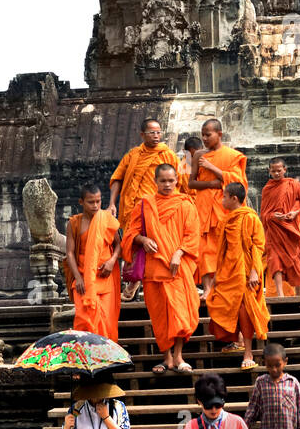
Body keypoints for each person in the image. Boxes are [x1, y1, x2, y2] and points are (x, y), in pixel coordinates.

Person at [121, 163, 200, 374]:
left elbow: (192, 236)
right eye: (163, 181)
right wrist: (143, 239)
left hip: (177, 268)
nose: (167, 185)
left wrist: (179, 252)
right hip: (154, 269)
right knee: (159, 315)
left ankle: (179, 356)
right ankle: (167, 358)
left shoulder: (186, 204)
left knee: (180, 313)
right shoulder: (145, 204)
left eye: (171, 181)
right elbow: (130, 233)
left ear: (177, 181)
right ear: (155, 182)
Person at [206, 181, 270, 368]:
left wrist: (254, 272)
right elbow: (223, 251)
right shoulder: (227, 219)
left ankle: (248, 354)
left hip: (246, 272)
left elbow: (258, 246)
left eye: (224, 196)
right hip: (228, 272)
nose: (222, 200)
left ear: (234, 198)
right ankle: (237, 340)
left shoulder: (250, 218)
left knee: (244, 309)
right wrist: (218, 273)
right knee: (220, 303)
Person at [187, 118, 249, 296]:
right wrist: (212, 184)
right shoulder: (198, 155)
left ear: (219, 134)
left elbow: (238, 183)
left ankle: (225, 284)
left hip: (225, 205)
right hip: (204, 205)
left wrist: (210, 167)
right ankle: (207, 288)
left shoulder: (232, 155)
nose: (205, 138)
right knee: (205, 247)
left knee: (227, 245)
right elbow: (191, 183)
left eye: (208, 134)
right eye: (203, 135)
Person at [64, 184, 122, 340]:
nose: (95, 205)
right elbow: (69, 252)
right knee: (85, 320)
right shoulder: (74, 223)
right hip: (83, 278)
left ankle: (106, 359)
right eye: (91, 202)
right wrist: (78, 277)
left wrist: (111, 261)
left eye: (98, 201)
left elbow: (118, 245)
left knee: (106, 321)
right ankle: (87, 358)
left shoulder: (106, 219)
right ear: (81, 202)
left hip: (104, 277)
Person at [107, 117, 178, 225]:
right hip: (135, 207)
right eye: (152, 132)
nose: (156, 136)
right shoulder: (133, 155)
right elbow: (118, 178)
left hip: (161, 208)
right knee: (134, 238)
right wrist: (112, 203)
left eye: (158, 132)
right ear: (142, 134)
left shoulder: (169, 155)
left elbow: (182, 182)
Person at [261, 157, 300, 296]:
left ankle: (298, 292)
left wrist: (296, 212)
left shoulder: (293, 185)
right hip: (273, 231)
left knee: (295, 259)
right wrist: (273, 216)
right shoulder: (267, 189)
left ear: (284, 170)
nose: (276, 173)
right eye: (273, 171)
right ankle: (280, 295)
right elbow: (264, 214)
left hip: (289, 228)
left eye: (279, 170)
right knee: (274, 260)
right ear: (269, 171)